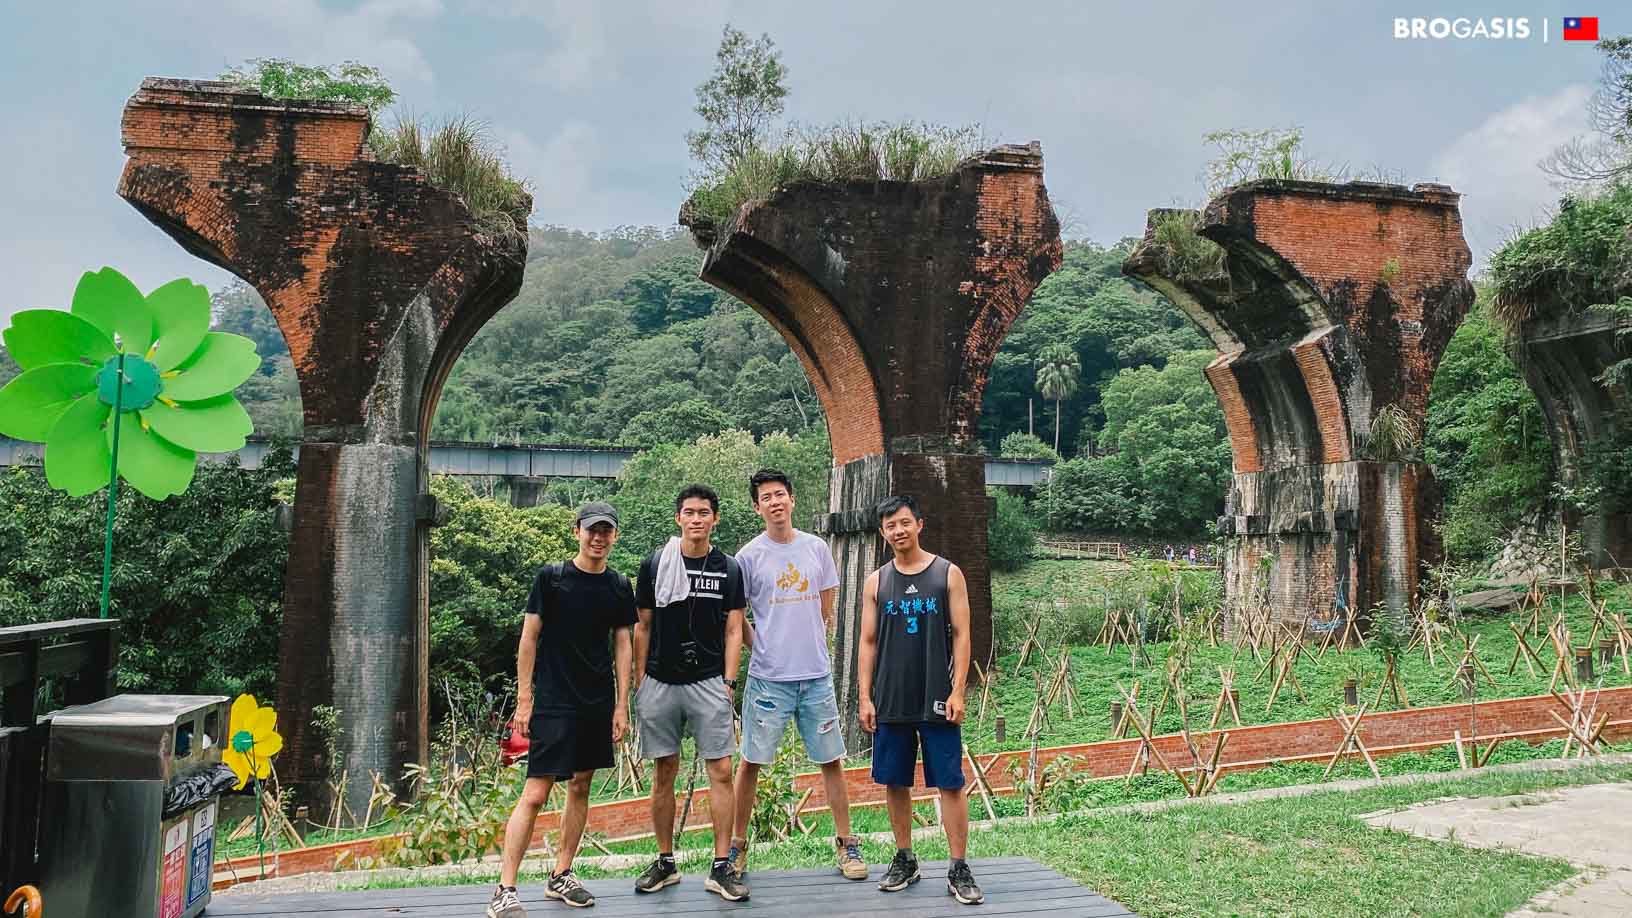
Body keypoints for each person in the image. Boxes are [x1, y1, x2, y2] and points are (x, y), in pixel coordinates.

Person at [488, 502, 635, 917]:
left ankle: (562, 873)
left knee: (581, 786)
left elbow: (623, 643)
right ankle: (505, 889)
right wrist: (524, 698)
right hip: (553, 699)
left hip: (597, 699)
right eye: (592, 530)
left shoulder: (618, 586)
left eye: (606, 531)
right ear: (577, 532)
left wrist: (622, 704)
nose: (598, 537)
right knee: (535, 792)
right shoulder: (551, 579)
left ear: (614, 536)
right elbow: (529, 638)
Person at [728, 469, 867, 882]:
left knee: (831, 760)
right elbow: (736, 617)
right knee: (751, 760)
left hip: (815, 675)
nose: (775, 502)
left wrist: (813, 639)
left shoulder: (816, 548)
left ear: (792, 499)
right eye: (766, 497)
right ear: (757, 507)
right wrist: (764, 645)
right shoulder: (747, 557)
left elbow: (827, 606)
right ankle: (736, 848)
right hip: (769, 678)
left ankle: (846, 843)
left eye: (780, 495)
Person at [857, 495, 983, 906]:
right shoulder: (877, 581)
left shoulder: (948, 574)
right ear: (883, 532)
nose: (898, 530)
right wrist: (864, 695)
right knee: (894, 780)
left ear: (919, 524)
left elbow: (963, 634)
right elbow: (868, 641)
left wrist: (958, 689)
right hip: (891, 695)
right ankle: (905, 857)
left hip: (936, 695)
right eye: (891, 525)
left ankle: (959, 865)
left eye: (905, 522)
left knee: (949, 781)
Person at [630, 485, 751, 902]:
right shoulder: (654, 564)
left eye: (703, 512)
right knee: (664, 772)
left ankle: (722, 866)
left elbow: (734, 627)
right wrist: (640, 680)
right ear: (678, 518)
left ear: (715, 518)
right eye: (689, 512)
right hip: (660, 681)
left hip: (708, 681)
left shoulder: (729, 568)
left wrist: (729, 680)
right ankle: (665, 861)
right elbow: (642, 625)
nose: (696, 518)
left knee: (720, 771)